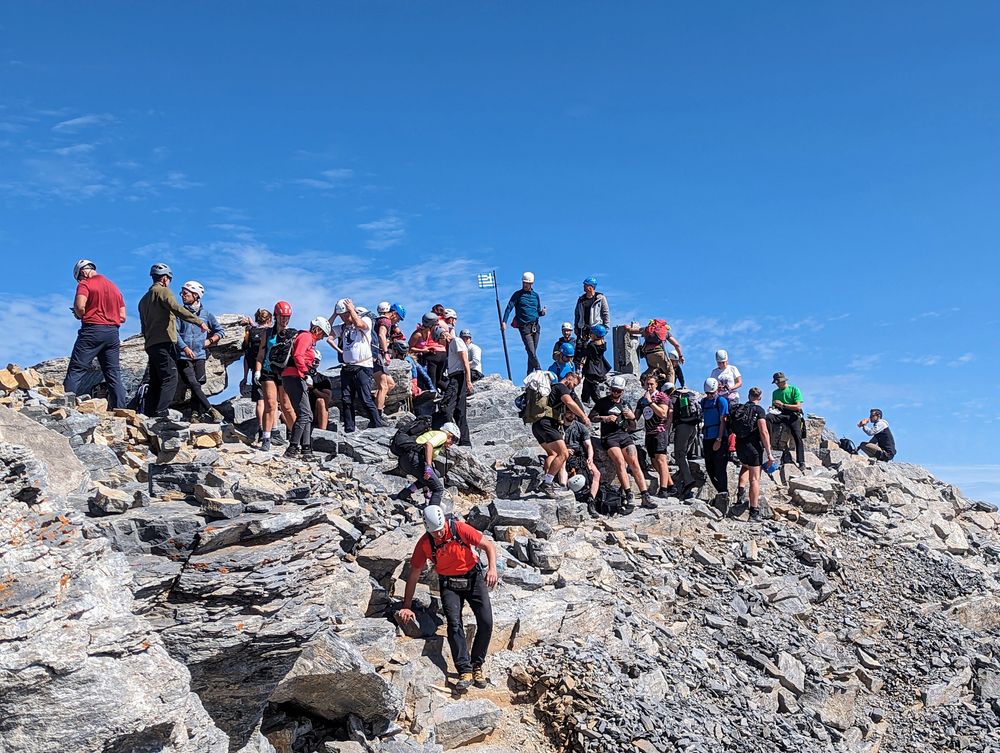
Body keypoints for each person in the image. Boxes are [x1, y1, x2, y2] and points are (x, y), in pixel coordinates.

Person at [397, 505, 498, 693]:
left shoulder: (459, 528)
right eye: (434, 532)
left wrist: (492, 569)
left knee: (486, 621)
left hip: (473, 578)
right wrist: (407, 606)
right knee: (454, 624)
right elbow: (414, 574)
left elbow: (488, 546)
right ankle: (464, 670)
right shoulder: (425, 543)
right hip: (449, 584)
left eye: (441, 529)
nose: (439, 534)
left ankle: (477, 665)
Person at [138, 263, 207, 418]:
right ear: (164, 278)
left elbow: (143, 327)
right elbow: (176, 308)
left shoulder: (143, 300)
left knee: (156, 380)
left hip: (151, 344)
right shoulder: (163, 291)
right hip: (165, 341)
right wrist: (198, 321)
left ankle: (149, 414)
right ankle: (161, 413)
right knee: (170, 377)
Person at [64, 259, 127, 408]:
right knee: (113, 373)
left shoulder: (85, 284)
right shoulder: (114, 287)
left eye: (79, 277)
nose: (79, 280)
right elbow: (122, 316)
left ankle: (65, 406)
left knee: (77, 369)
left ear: (83, 272)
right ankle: (122, 410)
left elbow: (80, 306)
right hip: (112, 333)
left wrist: (80, 314)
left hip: (92, 331)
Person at [589, 375, 655, 509]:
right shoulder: (602, 402)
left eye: (618, 391)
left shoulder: (625, 404)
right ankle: (629, 493)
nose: (615, 393)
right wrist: (605, 418)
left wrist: (632, 418)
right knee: (619, 461)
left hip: (624, 435)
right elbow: (592, 417)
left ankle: (645, 494)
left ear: (622, 391)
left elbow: (632, 426)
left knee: (634, 462)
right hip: (609, 437)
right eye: (613, 390)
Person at [530, 370, 591, 499]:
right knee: (564, 453)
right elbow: (569, 402)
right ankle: (547, 483)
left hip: (536, 426)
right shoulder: (561, 387)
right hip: (547, 424)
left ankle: (547, 479)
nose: (573, 388)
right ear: (569, 378)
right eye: (574, 384)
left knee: (552, 453)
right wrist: (583, 416)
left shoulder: (550, 389)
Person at [174, 281, 226, 422]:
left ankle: (195, 414)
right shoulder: (179, 313)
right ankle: (211, 410)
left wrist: (210, 341)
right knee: (193, 383)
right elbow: (175, 333)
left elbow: (220, 331)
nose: (182, 295)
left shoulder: (206, 314)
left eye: (185, 293)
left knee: (198, 384)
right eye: (182, 293)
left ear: (196, 295)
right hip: (183, 356)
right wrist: (185, 348)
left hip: (200, 355)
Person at [331, 298, 383, 433]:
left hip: (363, 366)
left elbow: (360, 324)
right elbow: (326, 331)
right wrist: (335, 314)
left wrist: (351, 310)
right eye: (341, 316)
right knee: (346, 400)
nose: (344, 318)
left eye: (345, 314)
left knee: (365, 399)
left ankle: (378, 425)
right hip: (347, 367)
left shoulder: (366, 320)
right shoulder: (342, 327)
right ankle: (349, 429)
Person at [281, 317, 331, 459]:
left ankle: (306, 448)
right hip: (294, 376)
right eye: (323, 334)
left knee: (307, 414)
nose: (322, 338)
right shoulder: (306, 337)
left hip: (295, 376)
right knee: (304, 414)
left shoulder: (306, 338)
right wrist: (306, 372)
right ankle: (292, 448)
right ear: (318, 330)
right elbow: (298, 355)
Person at [254, 301, 293, 451]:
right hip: (268, 371)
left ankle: (299, 438)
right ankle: (266, 438)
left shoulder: (292, 334)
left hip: (284, 373)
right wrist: (257, 371)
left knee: (286, 406)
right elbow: (261, 354)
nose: (284, 320)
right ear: (276, 316)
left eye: (287, 317)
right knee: (270, 404)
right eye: (282, 316)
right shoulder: (267, 333)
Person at [394, 421, 462, 506]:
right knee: (438, 489)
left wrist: (426, 490)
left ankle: (404, 494)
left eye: (455, 441)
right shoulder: (442, 435)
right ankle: (433, 512)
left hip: (406, 460)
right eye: (453, 439)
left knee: (432, 476)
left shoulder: (435, 435)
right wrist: (428, 467)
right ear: (448, 434)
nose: (452, 443)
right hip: (413, 458)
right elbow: (428, 445)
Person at [731, 387, 774, 521]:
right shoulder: (759, 410)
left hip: (740, 446)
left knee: (745, 467)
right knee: (755, 479)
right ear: (759, 397)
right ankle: (753, 512)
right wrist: (769, 453)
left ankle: (740, 495)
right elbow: (764, 432)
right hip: (754, 448)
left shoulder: (740, 409)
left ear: (749, 396)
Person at [635, 374, 676, 497]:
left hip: (660, 432)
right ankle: (671, 485)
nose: (649, 386)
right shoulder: (642, 400)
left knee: (661, 460)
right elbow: (635, 416)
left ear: (656, 385)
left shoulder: (662, 396)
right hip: (649, 433)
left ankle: (663, 489)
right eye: (647, 384)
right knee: (653, 461)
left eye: (651, 384)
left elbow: (663, 413)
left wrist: (650, 402)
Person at [435, 325, 473, 446]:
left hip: (458, 377)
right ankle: (464, 441)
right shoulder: (452, 344)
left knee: (445, 407)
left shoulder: (456, 341)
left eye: (439, 340)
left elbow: (465, 361)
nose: (439, 343)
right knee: (459, 410)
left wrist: (468, 381)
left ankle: (448, 437)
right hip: (456, 377)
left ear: (443, 336)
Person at [501, 272, 546, 374]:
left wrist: (542, 313)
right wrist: (504, 321)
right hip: (524, 327)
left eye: (527, 283)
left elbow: (537, 311)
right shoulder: (517, 295)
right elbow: (509, 308)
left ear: (531, 283)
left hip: (535, 327)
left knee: (532, 353)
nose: (525, 285)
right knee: (531, 351)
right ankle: (539, 370)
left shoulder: (535, 296)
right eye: (524, 282)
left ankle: (529, 374)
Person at [239, 308, 273, 441]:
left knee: (260, 401)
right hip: (270, 370)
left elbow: (247, 357)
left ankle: (260, 428)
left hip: (255, 371)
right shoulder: (270, 332)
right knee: (271, 401)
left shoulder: (251, 332)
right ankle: (271, 430)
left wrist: (245, 377)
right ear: (269, 319)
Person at [700, 377, 730, 505]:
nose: (709, 396)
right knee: (709, 467)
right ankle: (721, 492)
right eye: (707, 393)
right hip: (707, 437)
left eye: (711, 393)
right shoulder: (704, 402)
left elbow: (723, 421)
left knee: (720, 467)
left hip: (719, 437)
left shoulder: (721, 401)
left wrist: (719, 438)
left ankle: (724, 494)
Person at [768, 371, 806, 472]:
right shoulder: (775, 393)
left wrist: (783, 405)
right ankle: (768, 440)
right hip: (780, 413)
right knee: (768, 418)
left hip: (793, 414)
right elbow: (775, 406)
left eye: (779, 382)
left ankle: (801, 461)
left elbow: (798, 407)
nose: (778, 384)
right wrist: (772, 408)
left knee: (797, 436)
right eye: (776, 383)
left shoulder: (794, 390)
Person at [557, 410, 601, 493]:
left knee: (596, 474)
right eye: (569, 412)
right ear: (564, 413)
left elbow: (588, 445)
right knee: (562, 463)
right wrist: (565, 450)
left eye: (573, 413)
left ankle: (591, 497)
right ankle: (563, 488)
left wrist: (590, 458)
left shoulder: (581, 427)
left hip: (580, 455)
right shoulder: (558, 427)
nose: (572, 415)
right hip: (564, 453)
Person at [373, 302, 404, 417]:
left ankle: (374, 402)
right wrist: (386, 352)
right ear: (394, 314)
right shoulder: (385, 321)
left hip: (378, 355)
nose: (397, 322)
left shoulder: (380, 320)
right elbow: (381, 335)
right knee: (384, 386)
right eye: (398, 319)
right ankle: (378, 413)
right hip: (376, 355)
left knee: (391, 384)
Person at [711, 349, 743, 460]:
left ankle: (733, 447)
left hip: (732, 398)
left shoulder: (732, 369)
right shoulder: (715, 372)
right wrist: (718, 388)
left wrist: (730, 388)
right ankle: (723, 445)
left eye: (724, 362)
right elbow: (712, 386)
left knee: (732, 421)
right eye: (720, 362)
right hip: (721, 399)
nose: (722, 364)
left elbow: (739, 382)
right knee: (722, 421)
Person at [671, 386, 702, 500]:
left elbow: (672, 414)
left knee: (680, 454)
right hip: (693, 427)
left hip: (682, 427)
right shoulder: (690, 397)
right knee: (683, 454)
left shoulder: (675, 398)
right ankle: (683, 476)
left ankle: (688, 481)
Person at [573, 277, 611, 364]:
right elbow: (577, 314)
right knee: (580, 352)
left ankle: (596, 368)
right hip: (583, 329)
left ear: (591, 287)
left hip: (596, 329)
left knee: (595, 352)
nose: (583, 287)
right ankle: (580, 369)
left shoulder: (600, 298)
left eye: (585, 285)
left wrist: (606, 328)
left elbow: (605, 313)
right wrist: (576, 328)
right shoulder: (581, 299)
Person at [634, 319, 684, 384]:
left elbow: (631, 330)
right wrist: (680, 356)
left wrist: (627, 327)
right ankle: (670, 388)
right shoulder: (664, 332)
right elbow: (676, 345)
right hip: (658, 353)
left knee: (652, 368)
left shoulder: (647, 330)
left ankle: (642, 380)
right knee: (670, 371)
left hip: (648, 355)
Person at [409, 312, 448, 390]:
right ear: (431, 325)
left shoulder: (430, 332)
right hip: (419, 359)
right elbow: (410, 349)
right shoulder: (417, 334)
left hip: (427, 356)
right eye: (435, 325)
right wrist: (423, 350)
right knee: (431, 380)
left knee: (436, 379)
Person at [579, 324, 611, 405]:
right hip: (598, 370)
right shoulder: (603, 344)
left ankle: (602, 407)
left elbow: (583, 353)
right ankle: (587, 402)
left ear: (596, 335)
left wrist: (583, 341)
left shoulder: (591, 346)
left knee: (594, 394)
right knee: (587, 391)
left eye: (592, 333)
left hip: (591, 371)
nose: (591, 334)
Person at [308, 350, 333, 430]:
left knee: (321, 401)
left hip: (315, 412)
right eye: (311, 360)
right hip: (301, 411)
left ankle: (322, 432)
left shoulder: (323, 379)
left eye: (316, 362)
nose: (313, 364)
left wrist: (313, 388)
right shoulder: (297, 377)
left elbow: (327, 398)